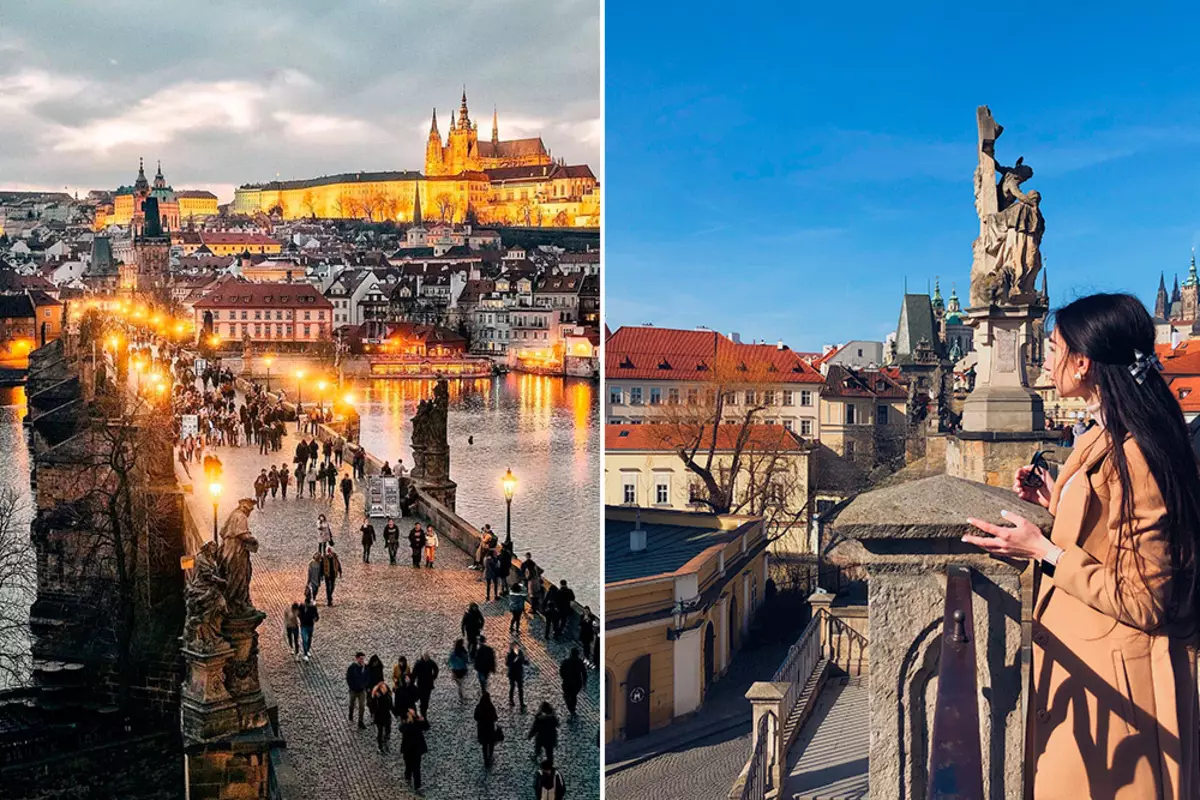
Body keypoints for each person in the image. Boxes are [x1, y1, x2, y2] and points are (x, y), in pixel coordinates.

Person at [962, 293, 1200, 798]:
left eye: (1052, 348)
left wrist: (1043, 551)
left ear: (1083, 362)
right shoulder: (1102, 434)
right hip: (1087, 665)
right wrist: (1056, 503)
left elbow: (1145, 598)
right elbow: (1109, 533)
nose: (1044, 360)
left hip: (1121, 688)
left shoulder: (1136, 449)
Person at [398, 709, 430, 791]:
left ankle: (417, 785)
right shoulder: (407, 724)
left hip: (415, 749)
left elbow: (426, 727)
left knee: (416, 768)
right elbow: (401, 729)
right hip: (408, 749)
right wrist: (408, 722)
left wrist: (422, 720)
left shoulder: (417, 723)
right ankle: (408, 777)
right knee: (408, 764)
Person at [474, 691, 501, 770]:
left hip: (482, 730)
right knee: (491, 743)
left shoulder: (479, 707)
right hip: (490, 729)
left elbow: (475, 717)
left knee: (484, 746)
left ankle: (486, 760)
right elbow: (495, 718)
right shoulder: (490, 706)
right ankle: (490, 756)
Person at [559, 648, 587, 717]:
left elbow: (561, 671)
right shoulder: (580, 662)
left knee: (567, 696)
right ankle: (572, 708)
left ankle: (571, 707)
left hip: (568, 683)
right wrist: (584, 682)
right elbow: (584, 673)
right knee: (573, 696)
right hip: (577, 683)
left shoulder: (566, 662)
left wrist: (564, 678)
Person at [369, 680, 394, 753]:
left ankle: (385, 744)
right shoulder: (377, 697)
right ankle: (380, 747)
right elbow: (373, 706)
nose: (384, 689)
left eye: (385, 687)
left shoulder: (388, 696)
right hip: (379, 717)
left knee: (387, 730)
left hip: (386, 716)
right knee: (380, 732)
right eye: (383, 688)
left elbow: (391, 706)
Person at [346, 652, 368, 729]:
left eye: (363, 659)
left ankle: (360, 721)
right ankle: (350, 714)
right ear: (357, 658)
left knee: (362, 706)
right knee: (352, 703)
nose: (362, 660)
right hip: (353, 690)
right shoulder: (352, 667)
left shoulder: (365, 667)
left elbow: (367, 677)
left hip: (362, 691)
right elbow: (349, 678)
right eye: (361, 659)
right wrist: (351, 687)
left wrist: (365, 686)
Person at [413, 652, 439, 718]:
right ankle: (422, 712)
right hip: (421, 685)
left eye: (427, 656)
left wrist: (434, 677)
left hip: (428, 685)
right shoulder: (418, 663)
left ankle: (423, 711)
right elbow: (414, 673)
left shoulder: (430, 662)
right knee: (423, 699)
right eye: (425, 656)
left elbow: (436, 669)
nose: (426, 658)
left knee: (426, 699)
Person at [506, 642, 528, 712]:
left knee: (520, 689)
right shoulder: (510, 655)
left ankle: (521, 703)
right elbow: (508, 664)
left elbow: (523, 661)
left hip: (518, 673)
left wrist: (525, 662)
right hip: (512, 674)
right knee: (512, 687)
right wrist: (515, 659)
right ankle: (511, 700)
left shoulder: (520, 653)